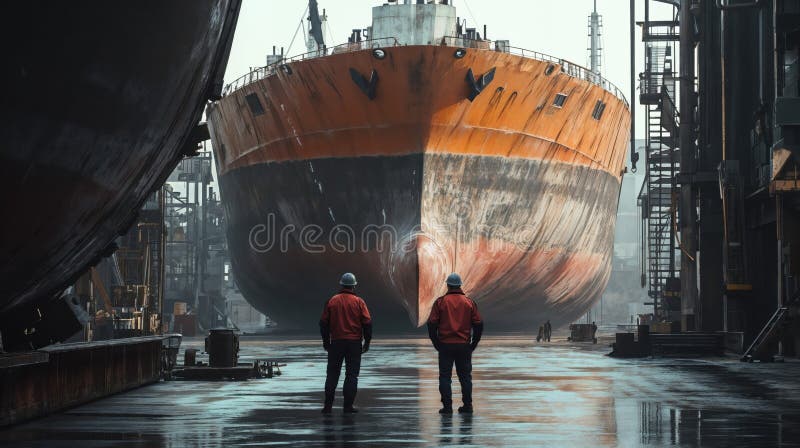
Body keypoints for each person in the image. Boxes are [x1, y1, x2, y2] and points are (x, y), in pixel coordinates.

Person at [427, 273, 483, 415]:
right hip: (464, 346)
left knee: (445, 377)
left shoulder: (440, 302)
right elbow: (478, 324)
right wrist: (473, 344)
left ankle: (447, 408)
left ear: (448, 285)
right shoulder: (469, 302)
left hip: (445, 345)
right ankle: (467, 405)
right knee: (465, 377)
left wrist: (436, 343)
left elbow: (431, 324)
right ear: (460, 285)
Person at [320, 272, 372, 414]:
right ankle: (348, 406)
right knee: (351, 375)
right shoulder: (359, 302)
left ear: (341, 285)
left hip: (336, 343)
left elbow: (323, 323)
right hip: (354, 344)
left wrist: (326, 343)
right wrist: (367, 342)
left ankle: (328, 406)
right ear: (353, 286)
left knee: (332, 374)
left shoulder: (332, 301)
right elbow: (367, 323)